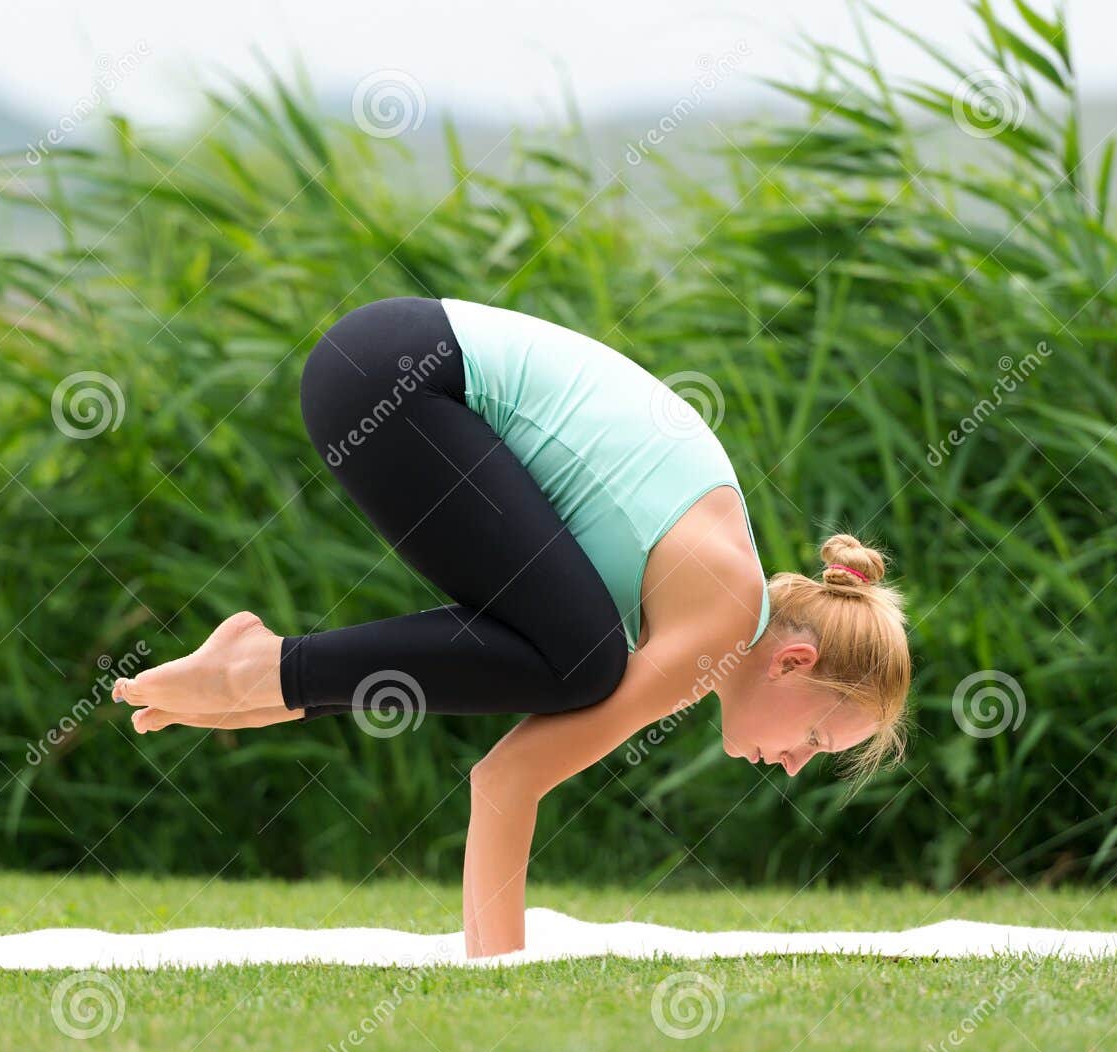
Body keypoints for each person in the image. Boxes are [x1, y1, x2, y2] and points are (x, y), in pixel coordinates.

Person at [111, 296, 911, 957]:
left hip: (387, 366)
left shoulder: (711, 593)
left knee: (574, 656)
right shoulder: (722, 618)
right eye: (817, 740)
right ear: (792, 663)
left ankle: (265, 675)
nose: (797, 767)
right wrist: (498, 979)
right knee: (582, 664)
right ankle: (266, 671)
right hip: (400, 377)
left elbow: (510, 755)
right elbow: (508, 778)